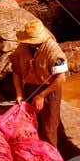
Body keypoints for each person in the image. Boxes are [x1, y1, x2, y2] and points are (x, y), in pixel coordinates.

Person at [11, 18, 68, 148]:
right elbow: (16, 72)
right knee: (30, 126)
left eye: (33, 42)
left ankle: (51, 160)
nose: (31, 44)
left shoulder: (54, 51)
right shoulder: (22, 48)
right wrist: (19, 94)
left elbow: (61, 78)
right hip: (30, 87)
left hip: (50, 90)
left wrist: (42, 96)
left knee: (49, 128)